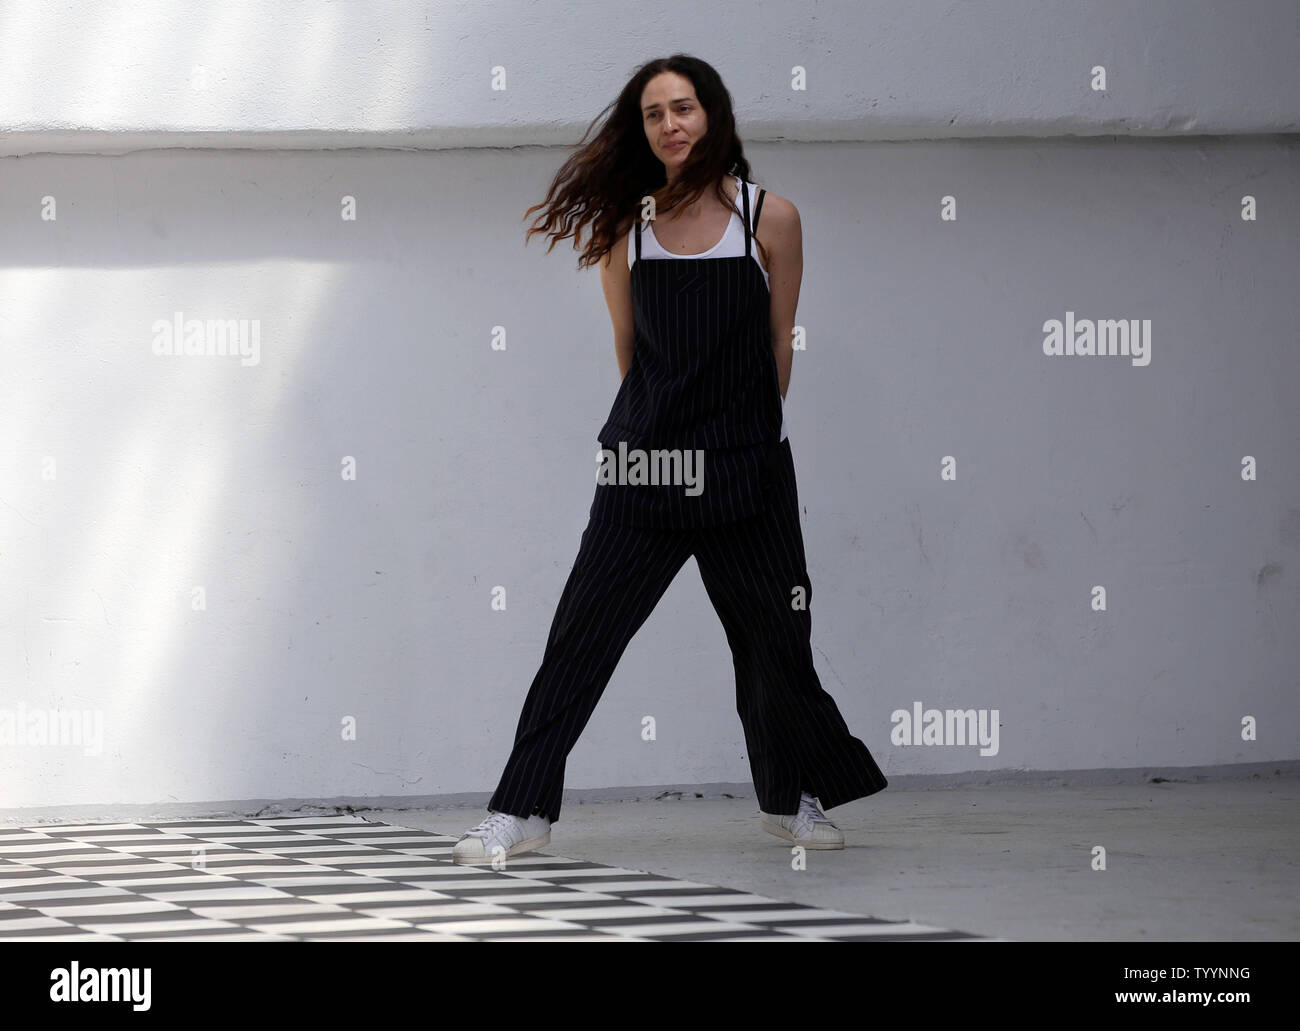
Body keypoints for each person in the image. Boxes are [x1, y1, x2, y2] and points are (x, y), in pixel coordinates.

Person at [453, 54, 887, 865]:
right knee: (579, 638)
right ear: (643, 131)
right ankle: (521, 809)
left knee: (775, 641)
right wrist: (663, 429)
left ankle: (788, 795)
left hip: (747, 467)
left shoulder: (773, 220)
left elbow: (777, 346)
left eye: (683, 107)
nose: (670, 125)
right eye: (654, 114)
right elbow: (629, 351)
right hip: (645, 470)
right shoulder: (630, 228)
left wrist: (744, 436)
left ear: (713, 115)